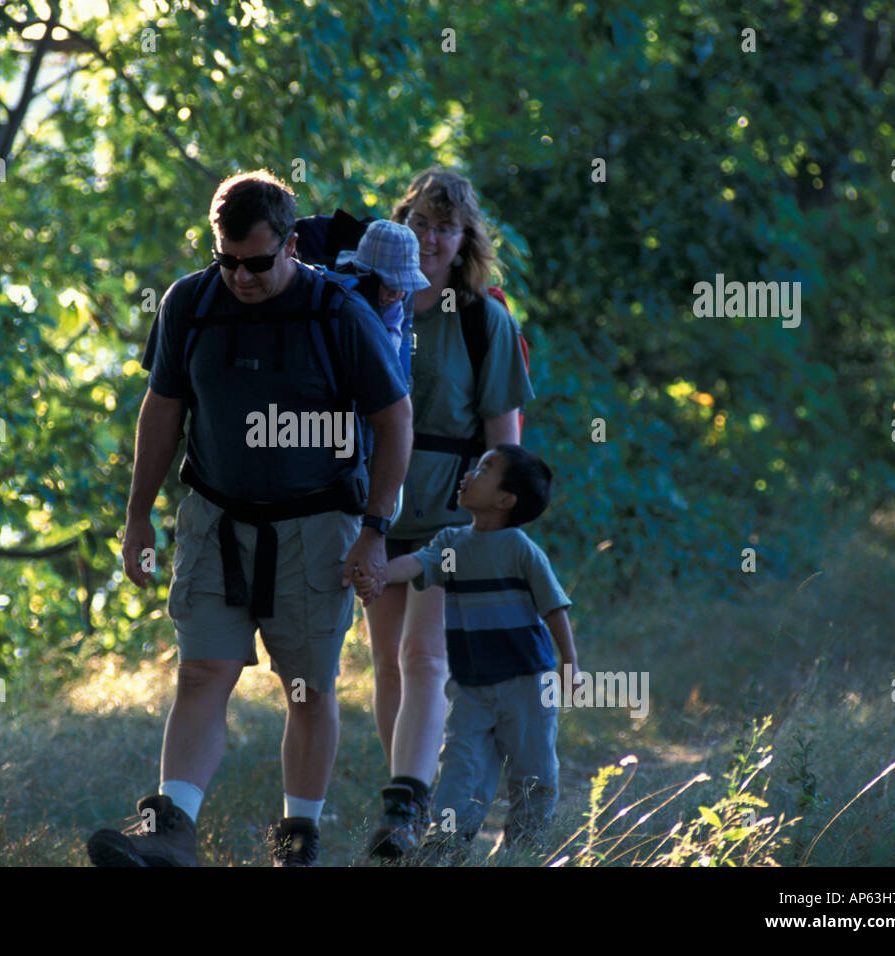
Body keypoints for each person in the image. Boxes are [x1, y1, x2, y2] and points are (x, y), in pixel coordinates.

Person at [86, 170, 413, 867]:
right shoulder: (189, 304)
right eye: (226, 260)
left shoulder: (336, 312)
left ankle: (299, 838)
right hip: (214, 517)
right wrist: (137, 517)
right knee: (203, 671)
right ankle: (171, 829)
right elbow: (162, 409)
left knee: (308, 688)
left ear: (292, 244)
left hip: (317, 524)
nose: (241, 276)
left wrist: (375, 531)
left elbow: (395, 419)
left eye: (258, 262)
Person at [363, 168, 536, 861]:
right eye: (421, 224)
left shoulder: (482, 321)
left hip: (450, 514)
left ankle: (404, 803)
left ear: (465, 240)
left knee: (423, 654)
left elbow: (505, 440)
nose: (431, 238)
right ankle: (411, 798)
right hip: (377, 507)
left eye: (445, 227)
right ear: (402, 227)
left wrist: (493, 528)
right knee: (385, 664)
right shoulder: (370, 307)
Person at [355, 444, 579, 863]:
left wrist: (570, 665)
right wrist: (380, 575)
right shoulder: (451, 542)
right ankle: (444, 849)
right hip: (471, 687)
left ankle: (523, 851)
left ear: (504, 500)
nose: (468, 474)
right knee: (459, 768)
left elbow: (554, 609)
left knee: (533, 774)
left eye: (484, 469)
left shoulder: (520, 549)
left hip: (527, 684)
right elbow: (416, 565)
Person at [334, 218, 432, 357]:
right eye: (388, 284)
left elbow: (397, 353)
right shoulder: (339, 296)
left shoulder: (397, 306)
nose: (395, 295)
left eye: (403, 286)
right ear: (362, 277)